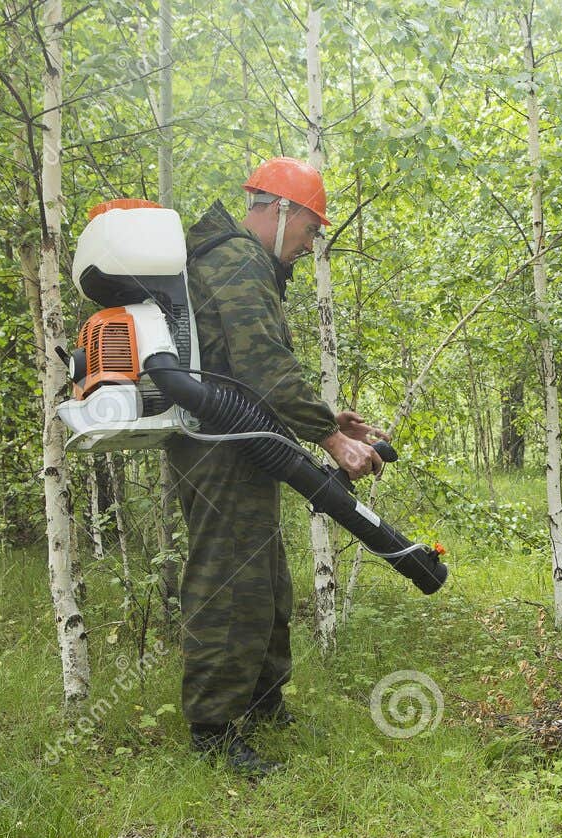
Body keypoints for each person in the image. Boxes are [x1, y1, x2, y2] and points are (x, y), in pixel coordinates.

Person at [170, 156, 387, 776]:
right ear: (282, 209)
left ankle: (263, 703)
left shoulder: (238, 258)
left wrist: (325, 420)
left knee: (263, 573)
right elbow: (264, 366)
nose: (310, 244)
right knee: (228, 578)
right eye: (311, 229)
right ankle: (213, 729)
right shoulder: (238, 259)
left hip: (240, 438)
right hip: (216, 447)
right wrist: (328, 437)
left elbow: (255, 375)